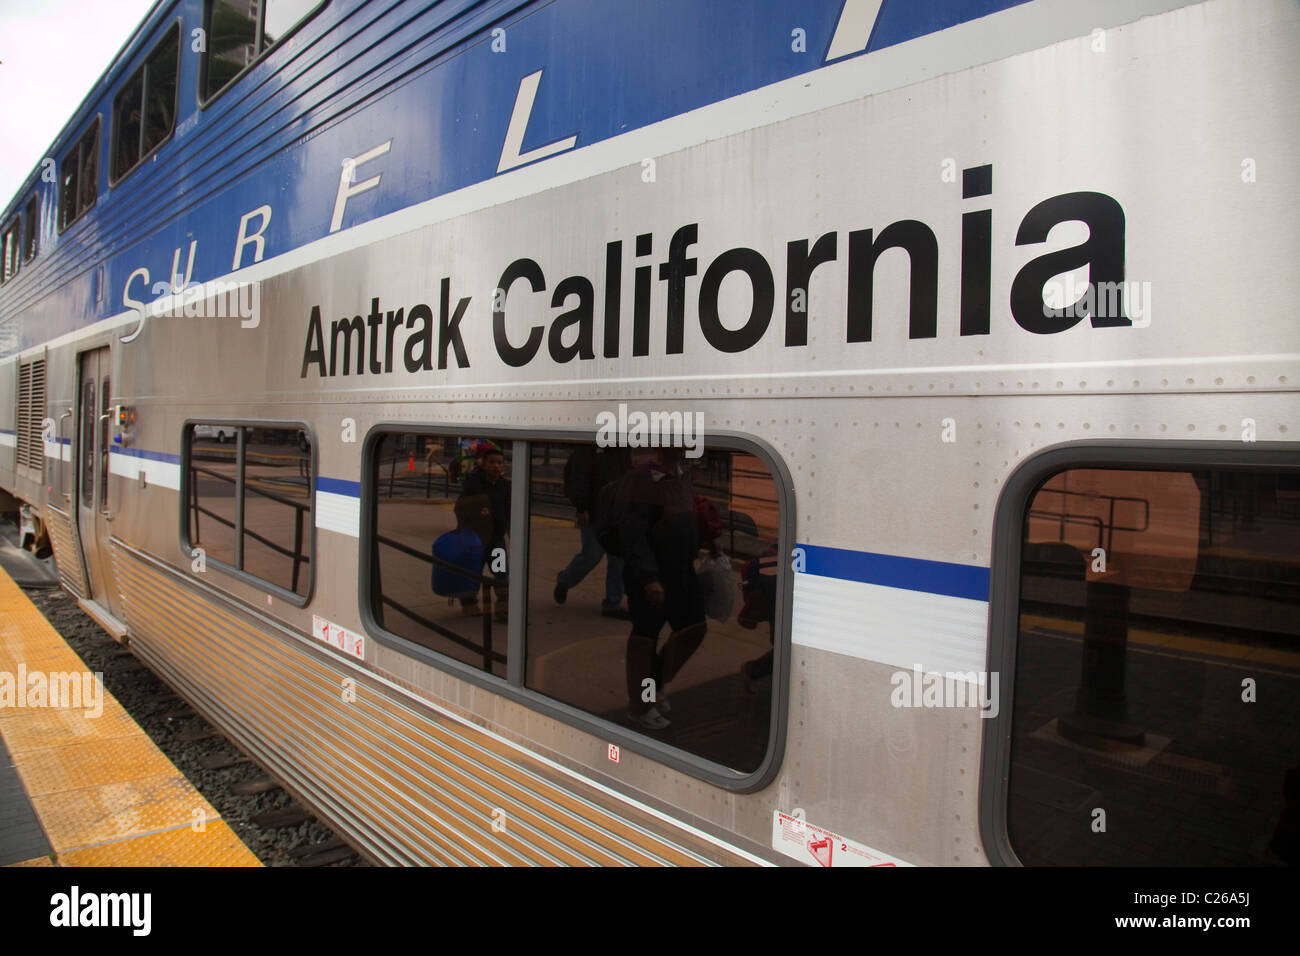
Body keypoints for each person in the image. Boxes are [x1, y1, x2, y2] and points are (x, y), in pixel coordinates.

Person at [614, 446, 712, 730]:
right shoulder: (642, 478)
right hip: (653, 575)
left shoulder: (679, 475)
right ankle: (641, 706)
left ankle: (655, 684)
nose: (685, 445)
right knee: (646, 640)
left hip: (681, 570)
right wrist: (648, 578)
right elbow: (632, 532)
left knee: (694, 627)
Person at [553, 445, 629, 618]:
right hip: (594, 511)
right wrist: (581, 507)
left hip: (618, 512)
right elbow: (578, 477)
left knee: (618, 559)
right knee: (591, 555)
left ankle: (612, 604)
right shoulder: (586, 447)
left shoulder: (624, 447)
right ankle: (564, 580)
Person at [457, 444, 510, 622]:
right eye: (492, 462)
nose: (496, 466)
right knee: (473, 571)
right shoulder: (473, 483)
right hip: (475, 538)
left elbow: (508, 512)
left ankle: (503, 608)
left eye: (500, 463)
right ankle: (469, 605)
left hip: (496, 537)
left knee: (501, 571)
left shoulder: (505, 486)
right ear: (483, 464)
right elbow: (462, 508)